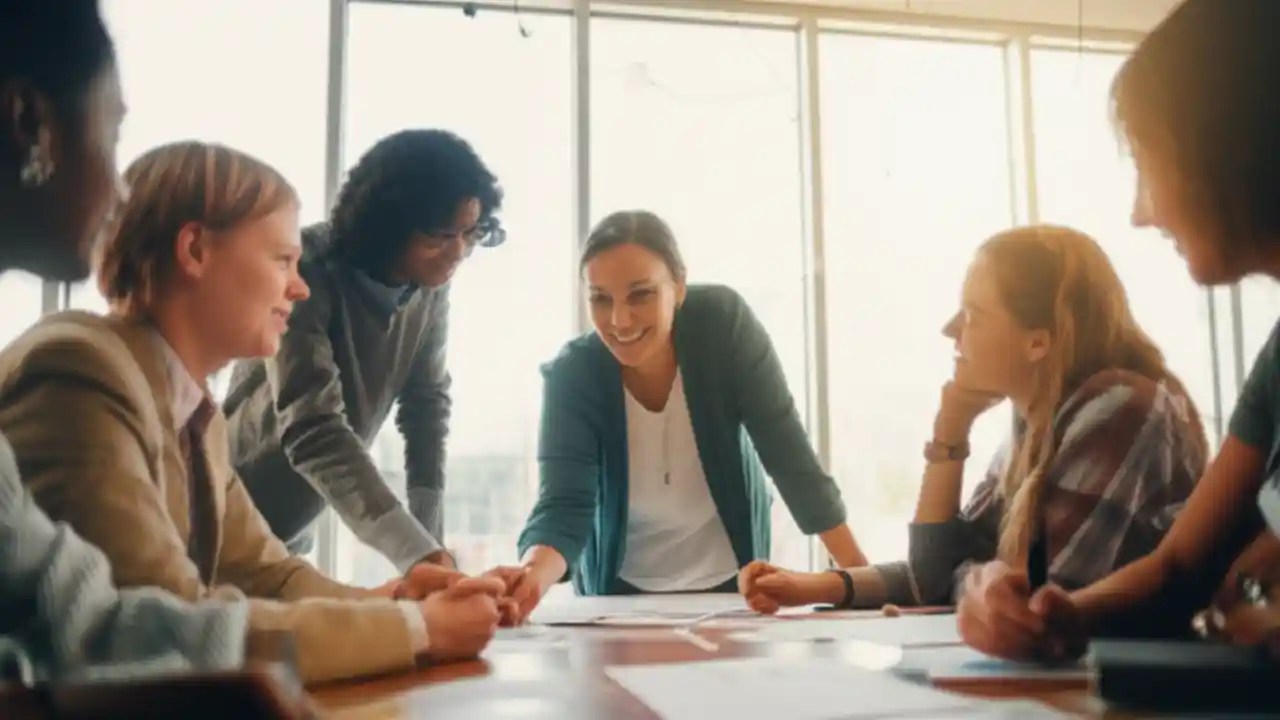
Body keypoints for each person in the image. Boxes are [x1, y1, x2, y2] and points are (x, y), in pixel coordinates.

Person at [0, 140, 505, 684]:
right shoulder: (80, 370)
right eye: (283, 260)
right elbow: (171, 632)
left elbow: (272, 575)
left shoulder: (198, 414)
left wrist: (402, 600)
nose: (300, 284)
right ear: (194, 250)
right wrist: (417, 629)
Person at [956, 0, 1280, 661]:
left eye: (1145, 159)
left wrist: (1247, 596)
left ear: (1226, 146)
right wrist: (1061, 615)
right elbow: (1178, 571)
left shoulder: (1120, 403)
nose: (1139, 212)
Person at [738, 226, 1208, 615]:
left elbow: (1034, 596)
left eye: (973, 314)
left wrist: (958, 573)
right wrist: (818, 586)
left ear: (1038, 343)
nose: (950, 329)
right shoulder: (1037, 424)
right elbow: (941, 571)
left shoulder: (1120, 410)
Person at [0, 0, 257, 683]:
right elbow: (94, 624)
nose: (119, 189)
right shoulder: (78, 368)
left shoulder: (202, 413)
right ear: (29, 124)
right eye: (112, 136)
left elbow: (73, 614)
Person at [508, 210, 865, 619]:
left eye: (641, 294)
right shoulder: (574, 372)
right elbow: (563, 505)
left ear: (678, 286)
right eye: (600, 299)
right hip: (617, 592)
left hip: (733, 582)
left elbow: (787, 455)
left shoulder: (723, 326)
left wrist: (861, 578)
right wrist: (529, 579)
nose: (619, 320)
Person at [223, 129, 505, 580]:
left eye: (470, 234)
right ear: (390, 226)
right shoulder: (308, 269)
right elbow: (313, 429)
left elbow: (426, 406)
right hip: (225, 519)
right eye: (440, 235)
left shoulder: (429, 282)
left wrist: (432, 552)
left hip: (291, 537)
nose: (458, 254)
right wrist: (419, 556)